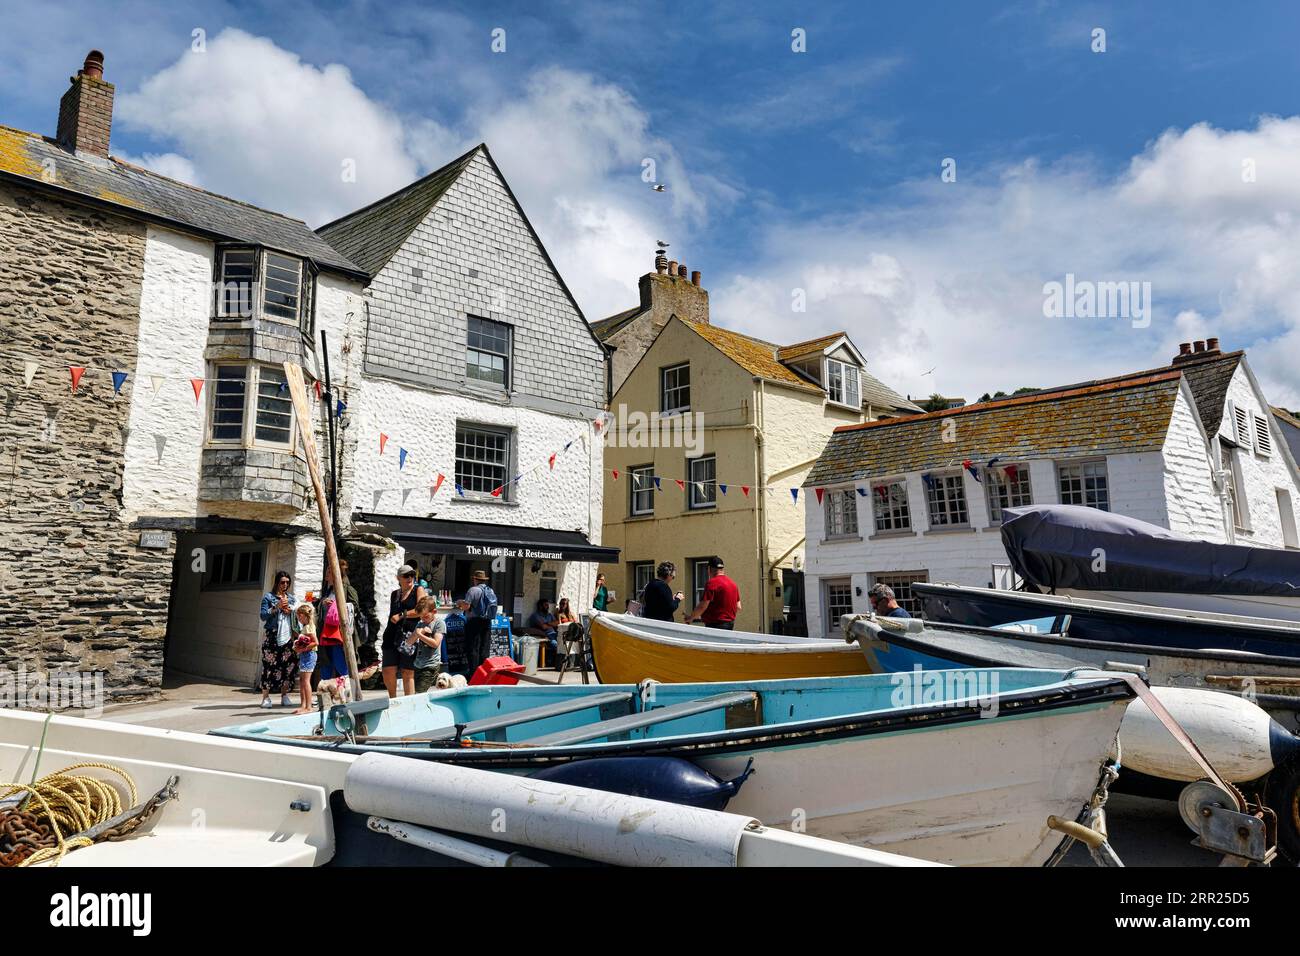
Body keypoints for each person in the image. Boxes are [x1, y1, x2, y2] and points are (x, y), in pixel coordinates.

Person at [381, 565, 426, 698]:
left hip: (409, 635)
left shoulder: (418, 589)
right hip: (392, 633)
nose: (410, 578)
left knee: (407, 671)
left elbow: (420, 610)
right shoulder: (395, 594)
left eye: (412, 575)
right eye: (406, 576)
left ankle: (409, 702)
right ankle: (393, 699)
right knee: (388, 669)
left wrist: (402, 615)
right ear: (398, 578)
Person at [257, 570, 300, 708]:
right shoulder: (268, 597)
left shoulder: (292, 598)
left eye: (288, 582)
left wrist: (291, 612)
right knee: (269, 666)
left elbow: (298, 616)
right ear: (277, 582)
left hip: (288, 636)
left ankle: (284, 695)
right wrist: (276, 607)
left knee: (288, 666)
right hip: (273, 635)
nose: (285, 585)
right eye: (282, 582)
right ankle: (266, 698)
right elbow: (263, 616)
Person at [685, 556, 741, 629]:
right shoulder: (733, 584)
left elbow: (702, 606)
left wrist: (691, 618)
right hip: (730, 625)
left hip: (715, 625)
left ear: (709, 569)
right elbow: (738, 607)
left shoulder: (712, 583)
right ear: (722, 569)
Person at [409, 597, 446, 694]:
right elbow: (408, 643)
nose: (423, 619)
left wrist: (420, 635)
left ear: (434, 611)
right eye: (420, 617)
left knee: (419, 693)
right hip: (418, 665)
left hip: (431, 665)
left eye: (425, 616)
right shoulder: (420, 624)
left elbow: (435, 643)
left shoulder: (439, 623)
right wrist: (417, 634)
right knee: (417, 694)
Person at [464, 570, 497, 672]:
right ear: (483, 580)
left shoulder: (472, 590)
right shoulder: (490, 590)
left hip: (474, 621)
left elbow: (467, 606)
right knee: (484, 647)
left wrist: (460, 603)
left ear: (475, 579)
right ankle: (484, 672)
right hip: (487, 621)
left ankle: (474, 674)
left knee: (473, 647)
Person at [292, 603, 318, 714]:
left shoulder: (308, 627)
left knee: (306, 681)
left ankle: (308, 707)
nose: (298, 618)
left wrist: (302, 649)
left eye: (299, 616)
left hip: (309, 655)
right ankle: (303, 705)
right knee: (302, 681)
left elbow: (316, 642)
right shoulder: (306, 627)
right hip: (305, 655)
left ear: (304, 615)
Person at [442, 599, 471, 676]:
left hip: (451, 661)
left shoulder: (446, 621)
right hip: (463, 660)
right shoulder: (464, 619)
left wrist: (444, 659)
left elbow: (443, 642)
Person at [526, 598, 560, 663]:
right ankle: (557, 663)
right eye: (546, 605)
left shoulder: (549, 615)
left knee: (564, 643)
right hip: (545, 636)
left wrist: (548, 623)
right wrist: (551, 624)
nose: (548, 607)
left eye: (548, 605)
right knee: (555, 645)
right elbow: (543, 627)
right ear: (540, 606)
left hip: (554, 634)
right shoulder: (535, 616)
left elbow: (557, 623)